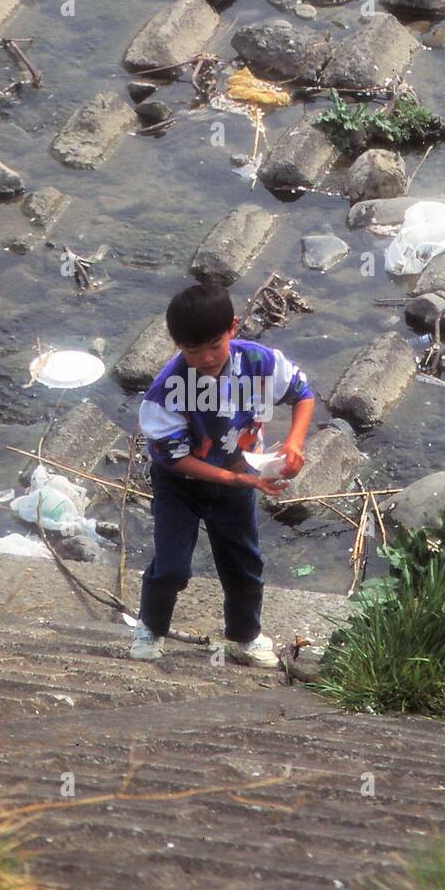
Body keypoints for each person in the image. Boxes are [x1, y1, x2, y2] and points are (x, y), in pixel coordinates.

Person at [131, 282, 315, 667]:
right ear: (177, 345)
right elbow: (174, 458)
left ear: (232, 327)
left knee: (244, 563)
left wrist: (295, 442)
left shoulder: (259, 362)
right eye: (193, 351)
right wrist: (237, 480)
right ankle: (151, 625)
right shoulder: (166, 392)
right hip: (181, 484)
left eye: (215, 345)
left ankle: (245, 636)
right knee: (172, 565)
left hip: (238, 473)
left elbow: (302, 393)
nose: (207, 358)